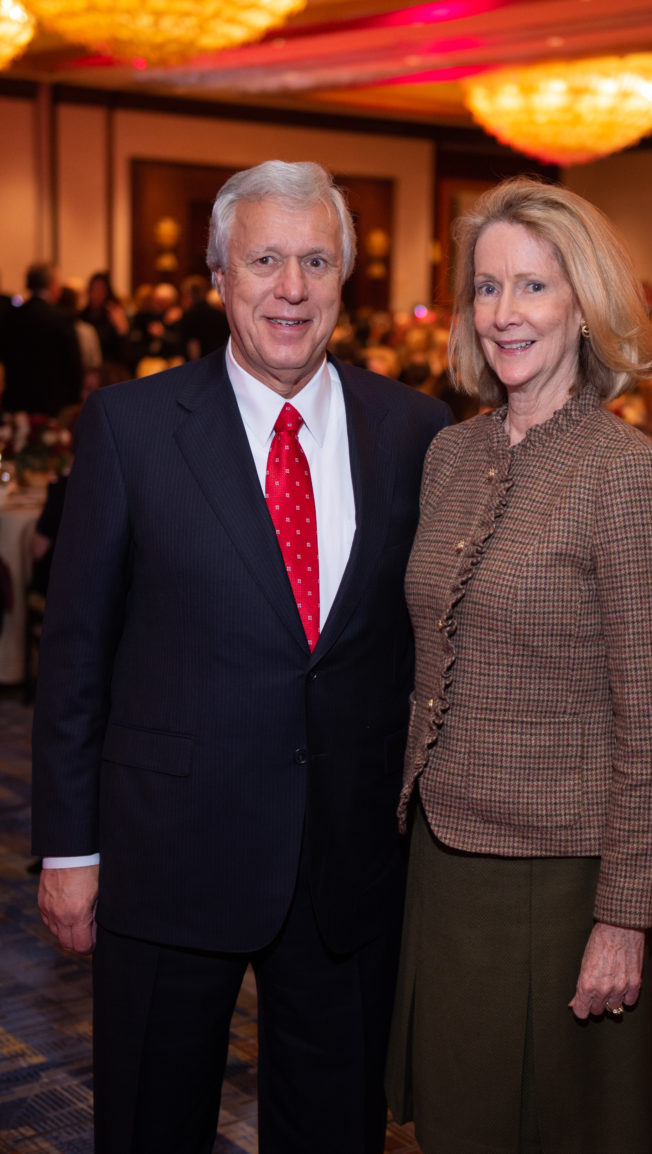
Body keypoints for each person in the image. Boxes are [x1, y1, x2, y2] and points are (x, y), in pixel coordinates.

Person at [31, 160, 451, 1154]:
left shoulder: (415, 431)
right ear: (220, 274)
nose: (291, 288)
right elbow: (75, 653)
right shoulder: (131, 427)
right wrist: (69, 848)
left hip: (347, 863)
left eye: (316, 260)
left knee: (335, 1122)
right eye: (264, 259)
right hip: (168, 850)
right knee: (151, 1115)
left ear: (346, 277)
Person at [385, 176, 652, 1154]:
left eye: (532, 287)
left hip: (563, 878)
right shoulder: (451, 453)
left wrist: (625, 917)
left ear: (585, 303)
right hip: (443, 854)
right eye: (486, 287)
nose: (504, 313)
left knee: (555, 1128)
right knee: (458, 1117)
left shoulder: (626, 472)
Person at [0, 262, 83, 415]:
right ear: (51, 284)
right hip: (53, 403)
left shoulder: (12, 317)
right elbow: (73, 362)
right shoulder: (61, 317)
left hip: (17, 399)